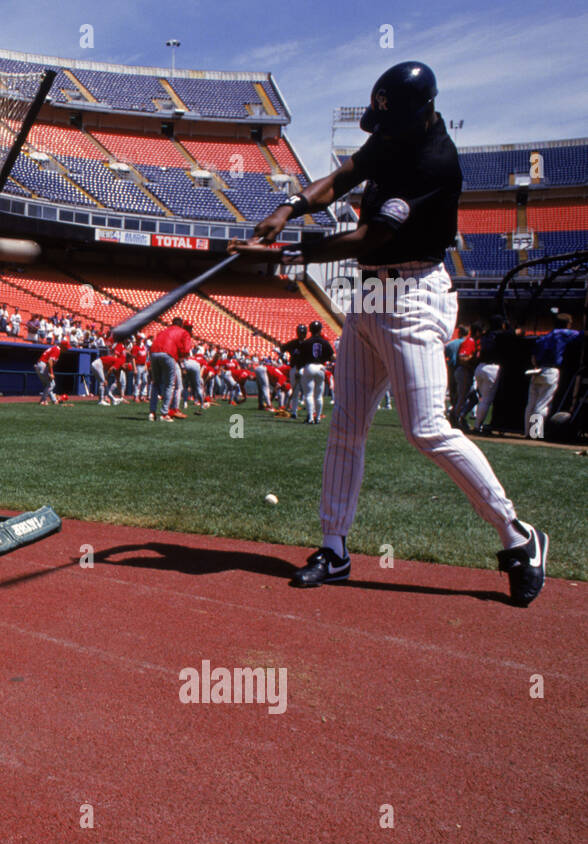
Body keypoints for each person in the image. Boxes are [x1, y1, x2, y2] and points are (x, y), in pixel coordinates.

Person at [230, 61, 546, 606]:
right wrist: (290, 207)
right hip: (371, 293)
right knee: (346, 426)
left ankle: (518, 537)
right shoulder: (395, 134)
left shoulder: (434, 162)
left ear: (421, 113)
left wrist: (289, 252)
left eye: (387, 120)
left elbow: (372, 237)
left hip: (413, 291)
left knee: (424, 429)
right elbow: (342, 178)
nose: (379, 131)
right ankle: (334, 548)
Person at [525, 315, 579, 438]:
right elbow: (580, 335)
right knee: (542, 404)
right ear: (568, 324)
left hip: (538, 369)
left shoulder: (545, 337)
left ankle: (527, 432)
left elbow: (533, 355)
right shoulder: (564, 333)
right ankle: (535, 433)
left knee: (531, 403)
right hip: (551, 370)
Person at [294, 321, 335, 425]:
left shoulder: (306, 342)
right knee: (318, 395)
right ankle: (318, 418)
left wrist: (299, 370)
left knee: (308, 394)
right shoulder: (325, 342)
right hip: (321, 367)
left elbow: (299, 358)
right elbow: (333, 357)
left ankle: (310, 417)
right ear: (320, 330)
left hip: (309, 367)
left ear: (310, 330)